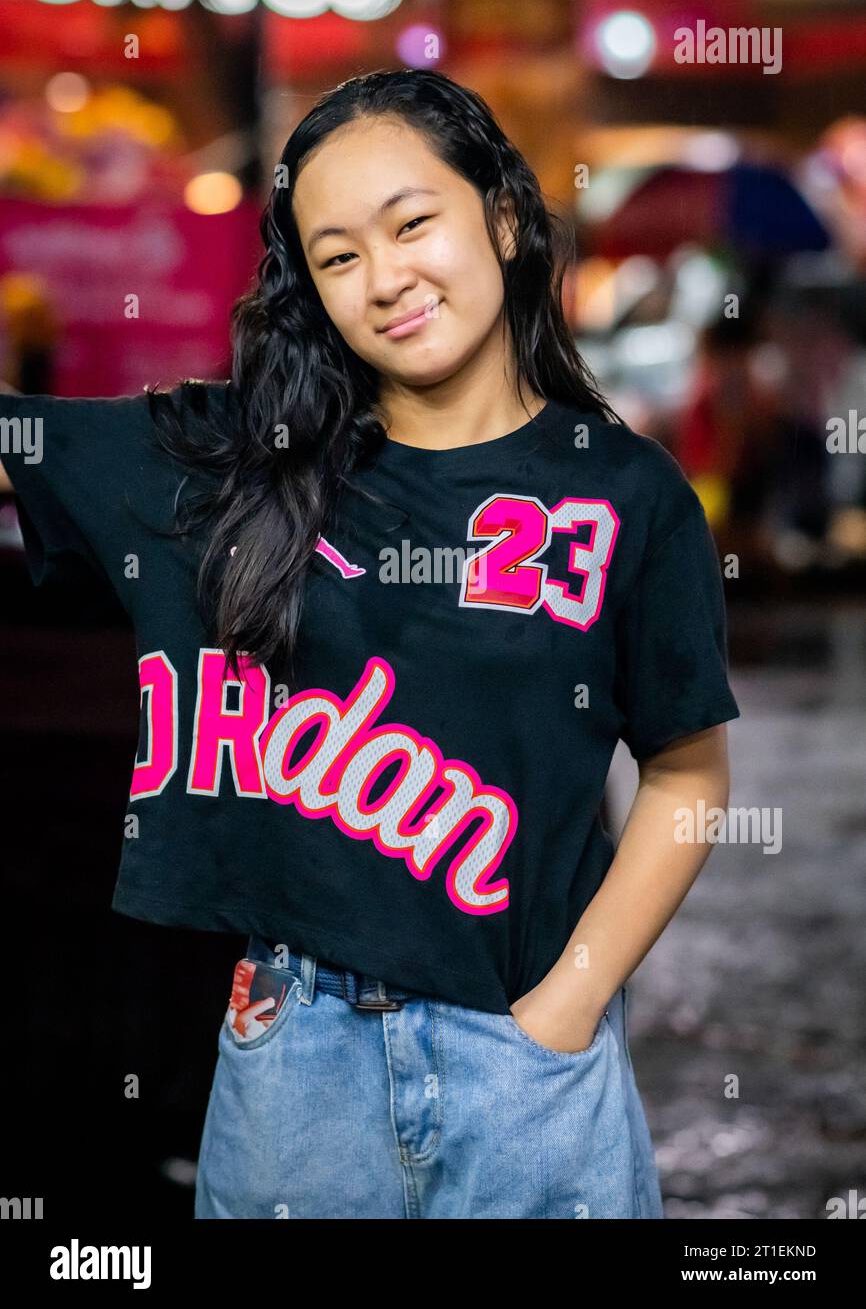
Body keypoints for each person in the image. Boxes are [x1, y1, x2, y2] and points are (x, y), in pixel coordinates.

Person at [0, 69, 739, 1220]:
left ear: (499, 215)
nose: (384, 278)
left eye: (411, 225)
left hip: (529, 1067)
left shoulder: (625, 494)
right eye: (336, 256)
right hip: (294, 1069)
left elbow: (686, 777)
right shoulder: (234, 460)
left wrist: (565, 1005)